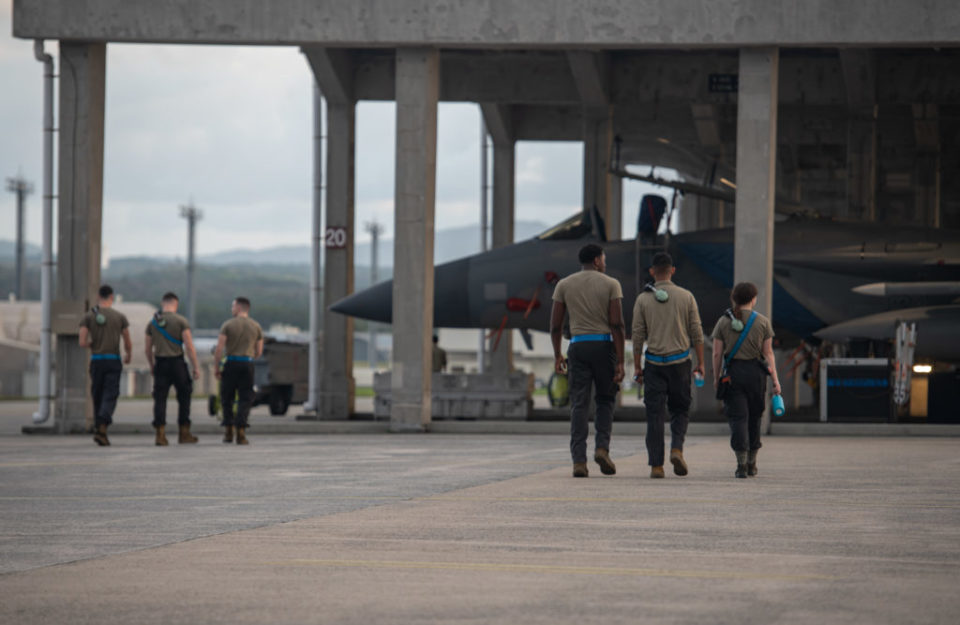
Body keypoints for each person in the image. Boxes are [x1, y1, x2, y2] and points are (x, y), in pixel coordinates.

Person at [551, 243, 626, 478]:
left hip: (578, 346)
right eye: (603, 258)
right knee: (605, 400)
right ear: (596, 260)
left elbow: (555, 326)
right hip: (604, 346)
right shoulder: (611, 284)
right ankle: (602, 449)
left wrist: (557, 355)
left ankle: (579, 462)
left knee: (579, 404)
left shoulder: (564, 284)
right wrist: (621, 360)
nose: (605, 262)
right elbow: (617, 324)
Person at [632, 252, 704, 478]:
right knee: (680, 410)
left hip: (654, 363)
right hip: (680, 363)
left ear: (652, 272)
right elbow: (697, 333)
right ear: (672, 270)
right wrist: (701, 363)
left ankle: (656, 466)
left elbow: (637, 335)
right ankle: (676, 449)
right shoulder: (686, 296)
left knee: (654, 415)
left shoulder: (643, 299)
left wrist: (637, 366)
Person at [711, 282, 782, 478]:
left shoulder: (723, 322)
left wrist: (717, 378)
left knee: (738, 418)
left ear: (734, 299)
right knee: (755, 418)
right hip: (756, 374)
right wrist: (775, 380)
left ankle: (741, 463)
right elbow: (768, 354)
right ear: (753, 299)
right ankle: (752, 462)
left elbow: (717, 354)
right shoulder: (763, 322)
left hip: (733, 374)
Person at [78, 284, 132, 446]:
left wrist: (92, 344)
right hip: (113, 359)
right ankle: (103, 424)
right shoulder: (119, 316)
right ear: (112, 297)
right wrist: (128, 354)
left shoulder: (88, 316)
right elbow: (127, 340)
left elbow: (81, 341)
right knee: (111, 394)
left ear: (98, 297)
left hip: (97, 360)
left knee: (98, 393)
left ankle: (99, 426)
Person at [145, 292, 201, 446]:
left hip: (160, 364)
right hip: (177, 363)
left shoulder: (152, 323)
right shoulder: (181, 321)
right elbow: (189, 347)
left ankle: (160, 435)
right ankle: (184, 433)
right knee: (184, 397)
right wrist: (196, 367)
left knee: (160, 399)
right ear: (175, 304)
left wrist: (152, 366)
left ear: (163, 303)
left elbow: (147, 349)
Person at [213, 297, 264, 445]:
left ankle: (228, 430)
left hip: (230, 363)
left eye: (233, 306)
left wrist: (217, 367)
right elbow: (259, 351)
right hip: (247, 364)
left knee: (226, 397)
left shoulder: (227, 325)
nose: (231, 309)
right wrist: (248, 355)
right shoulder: (256, 326)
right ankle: (241, 431)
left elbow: (219, 348)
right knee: (246, 398)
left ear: (239, 308)